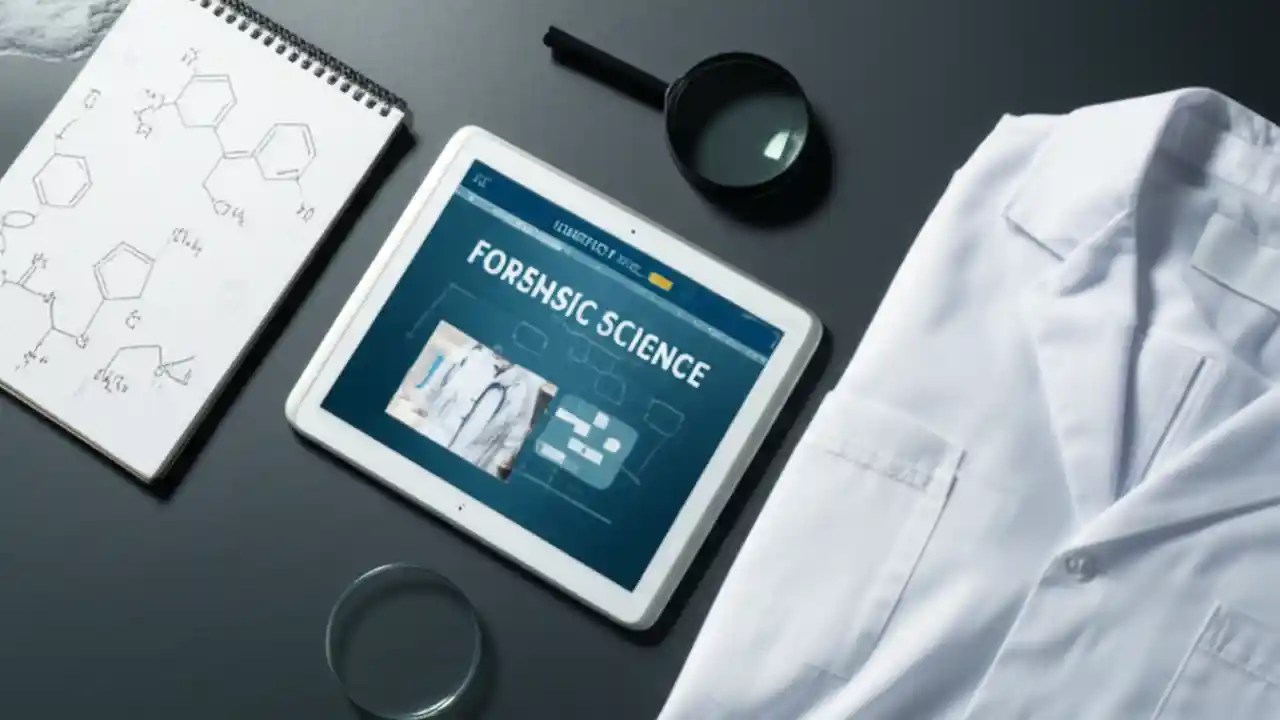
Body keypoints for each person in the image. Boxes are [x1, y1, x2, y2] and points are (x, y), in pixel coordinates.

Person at [409, 339, 542, 478]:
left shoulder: (525, 387)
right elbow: (432, 390)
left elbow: (513, 441)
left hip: (464, 467)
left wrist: (490, 473)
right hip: (426, 445)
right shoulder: (472, 352)